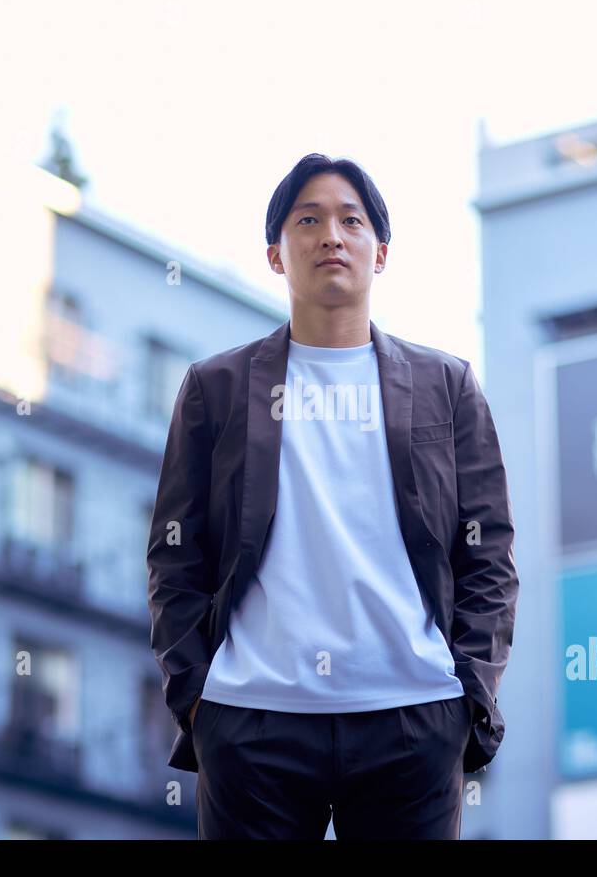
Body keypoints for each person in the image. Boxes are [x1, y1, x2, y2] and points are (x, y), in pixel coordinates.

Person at [147, 153, 518, 839]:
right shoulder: (216, 388)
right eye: (308, 220)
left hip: (413, 714)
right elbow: (174, 555)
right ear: (275, 254)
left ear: (381, 253)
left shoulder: (447, 385)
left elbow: (489, 549)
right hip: (252, 718)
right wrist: (198, 697)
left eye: (351, 220)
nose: (331, 236)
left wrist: (470, 691)